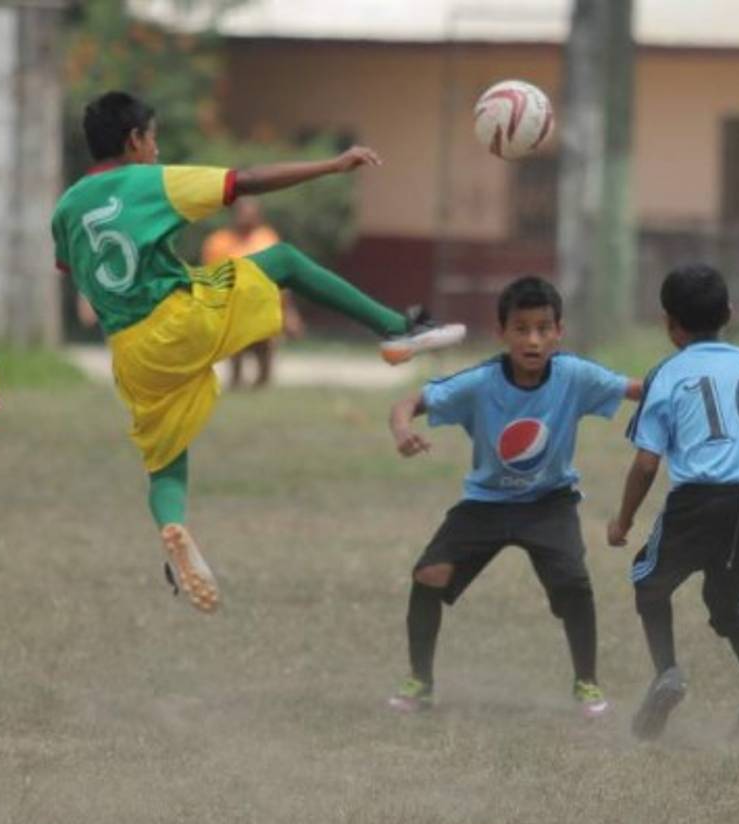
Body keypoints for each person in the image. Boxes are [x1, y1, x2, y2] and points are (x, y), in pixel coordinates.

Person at [51, 91, 465, 614]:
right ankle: (394, 328)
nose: (156, 150)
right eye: (152, 139)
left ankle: (174, 528)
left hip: (131, 352)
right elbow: (243, 181)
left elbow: (73, 270)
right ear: (134, 140)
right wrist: (332, 165)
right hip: (179, 320)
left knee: (165, 465)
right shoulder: (149, 180)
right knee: (285, 260)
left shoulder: (65, 207)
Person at [386, 276, 642, 717]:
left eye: (544, 328)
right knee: (429, 574)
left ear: (559, 331)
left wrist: (685, 389)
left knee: (574, 584)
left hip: (550, 502)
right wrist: (403, 431)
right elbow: (407, 403)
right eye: (521, 329)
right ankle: (420, 683)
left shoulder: (575, 376)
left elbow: (635, 389)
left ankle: (587, 683)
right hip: (486, 504)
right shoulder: (481, 383)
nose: (533, 340)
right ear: (502, 332)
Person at [607, 263, 739, 741]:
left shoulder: (667, 375)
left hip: (702, 496)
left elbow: (647, 464)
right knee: (724, 594)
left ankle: (667, 673)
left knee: (649, 581)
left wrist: (622, 520)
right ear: (729, 312)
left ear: (669, 324)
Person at [201, 197, 305, 388]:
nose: (247, 218)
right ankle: (237, 385)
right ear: (234, 215)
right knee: (235, 357)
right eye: (243, 213)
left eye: (252, 213)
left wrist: (289, 313)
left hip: (264, 311)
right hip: (233, 312)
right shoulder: (218, 242)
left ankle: (262, 391)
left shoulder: (268, 238)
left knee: (265, 362)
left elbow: (283, 278)